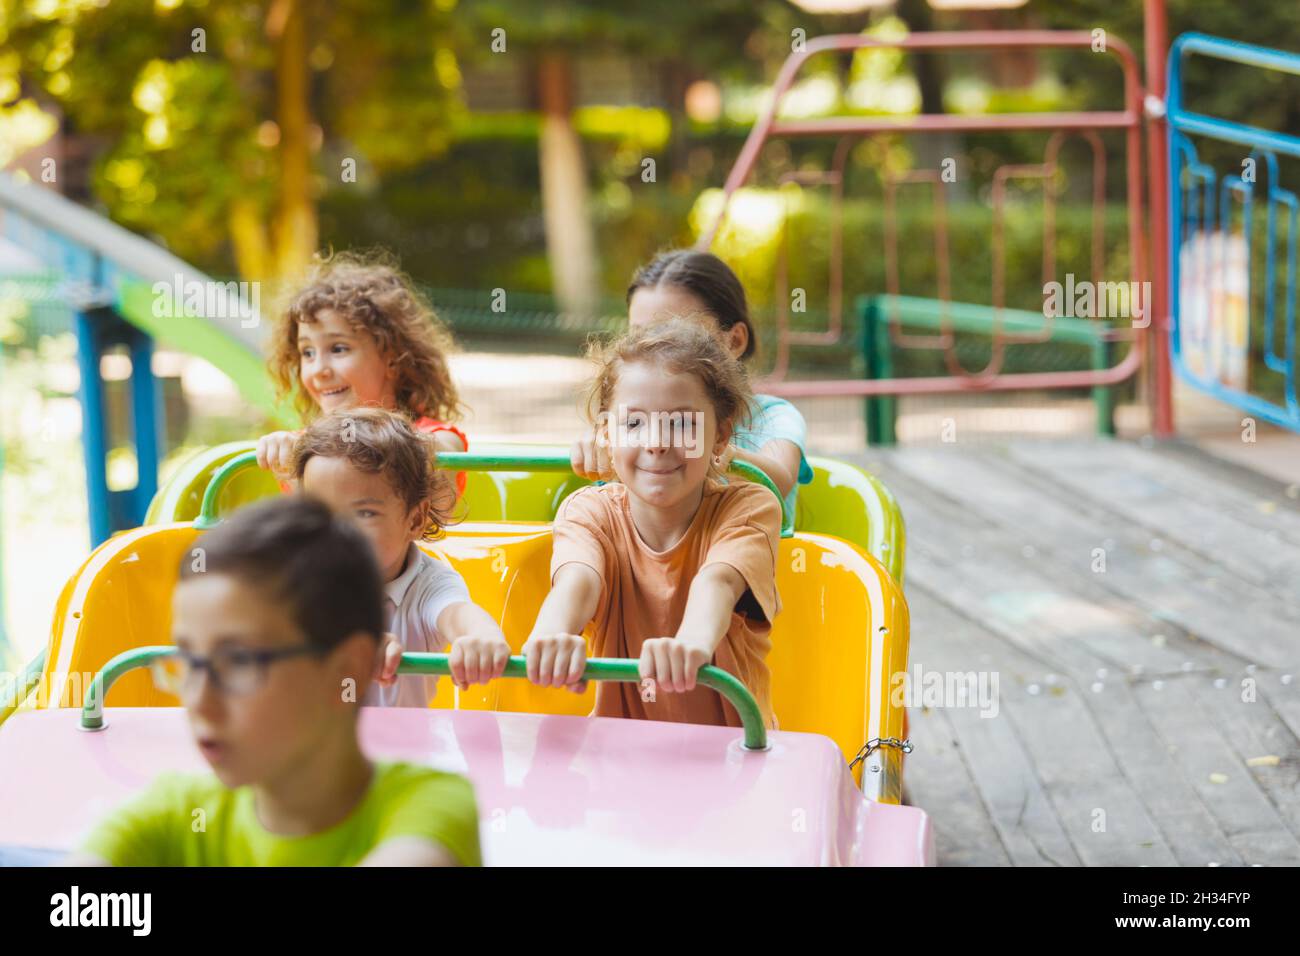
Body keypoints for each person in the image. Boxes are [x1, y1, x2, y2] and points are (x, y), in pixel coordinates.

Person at [70, 497, 482, 866]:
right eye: (190, 662)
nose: (198, 700)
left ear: (346, 669)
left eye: (238, 662)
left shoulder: (429, 808)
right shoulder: (173, 811)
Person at [527, 320, 782, 728]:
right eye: (633, 423)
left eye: (683, 423)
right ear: (606, 434)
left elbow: (716, 582)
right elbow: (578, 580)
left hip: (735, 756)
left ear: (720, 438)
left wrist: (692, 644)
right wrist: (554, 632)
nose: (657, 441)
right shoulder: (589, 513)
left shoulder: (748, 507)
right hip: (621, 757)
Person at [571, 250, 812, 517]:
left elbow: (778, 481)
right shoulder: (628, 422)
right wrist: (607, 448)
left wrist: (709, 447)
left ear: (734, 341)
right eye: (641, 336)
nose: (658, 351)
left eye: (680, 334)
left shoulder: (773, 416)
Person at [294, 408, 510, 705]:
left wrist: (480, 636)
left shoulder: (429, 584)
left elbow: (457, 613)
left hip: (403, 747)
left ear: (415, 520)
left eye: (364, 513)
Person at [258, 251, 468, 497]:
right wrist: (287, 458)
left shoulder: (434, 438)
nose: (318, 370)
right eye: (307, 352)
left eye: (338, 349)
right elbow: (309, 525)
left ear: (392, 359)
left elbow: (437, 450)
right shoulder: (303, 447)